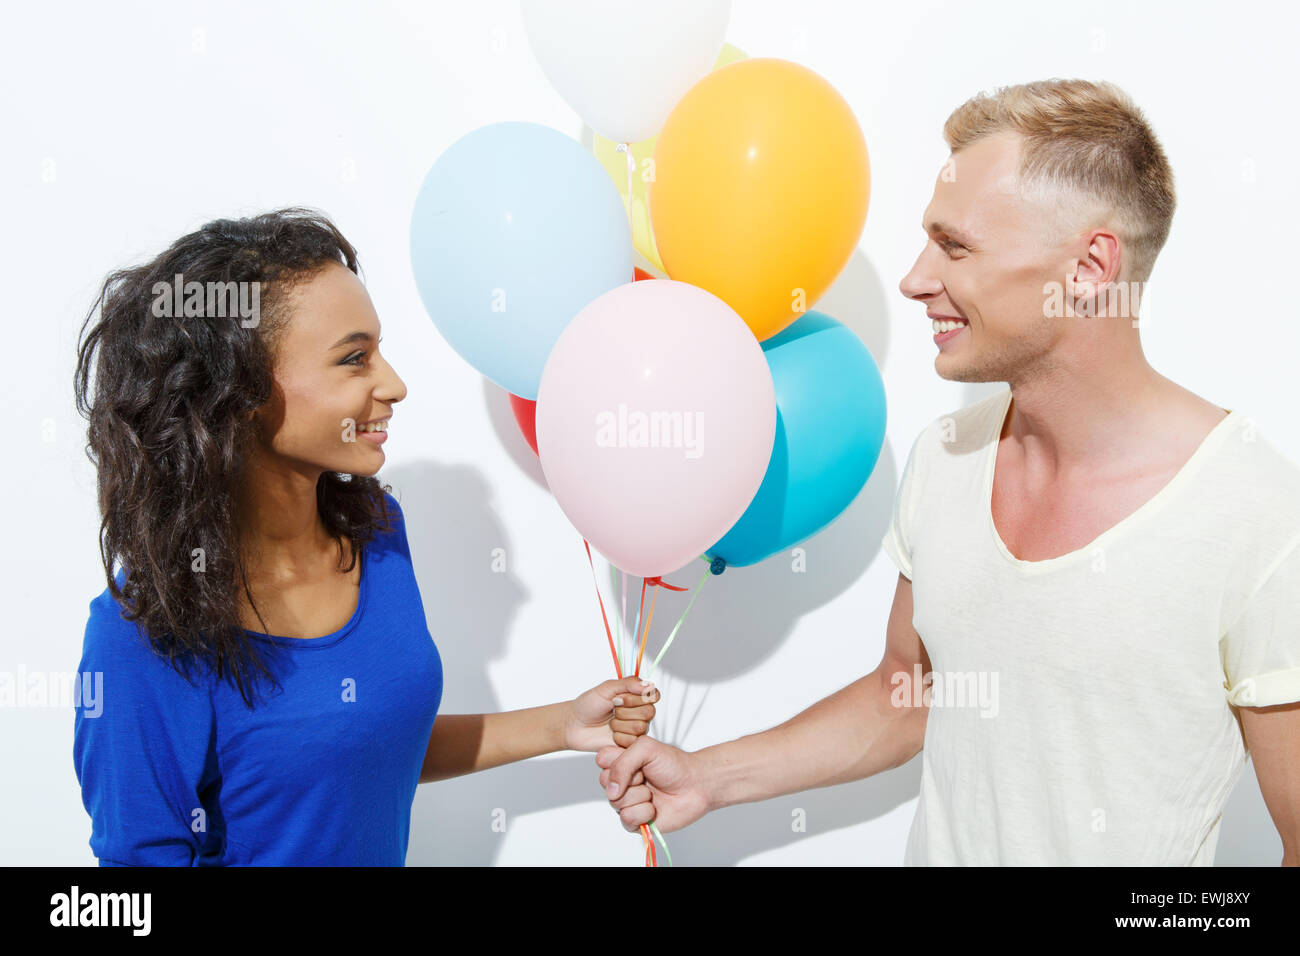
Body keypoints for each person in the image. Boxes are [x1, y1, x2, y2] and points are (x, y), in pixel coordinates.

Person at [596, 78, 1300, 866]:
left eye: (956, 246)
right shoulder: (947, 456)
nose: (914, 278)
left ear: (1091, 266)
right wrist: (708, 776)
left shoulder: (1256, 512)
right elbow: (910, 695)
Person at [71, 208, 657, 865]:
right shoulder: (146, 628)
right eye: (354, 359)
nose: (394, 384)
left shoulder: (377, 535)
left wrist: (563, 724)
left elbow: (370, 742)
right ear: (242, 394)